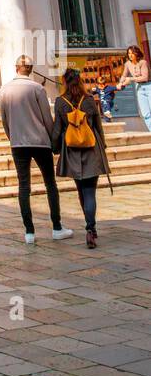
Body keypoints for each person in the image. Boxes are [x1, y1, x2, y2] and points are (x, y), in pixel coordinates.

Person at [0, 54, 73, 245]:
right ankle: (57, 227)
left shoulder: (5, 90)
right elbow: (47, 119)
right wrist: (52, 140)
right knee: (50, 184)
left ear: (16, 68)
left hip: (18, 143)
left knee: (24, 186)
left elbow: (5, 120)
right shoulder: (37, 88)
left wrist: (12, 137)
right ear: (31, 69)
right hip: (40, 141)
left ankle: (29, 232)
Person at [53, 68, 110, 249]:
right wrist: (104, 147)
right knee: (90, 191)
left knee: (81, 190)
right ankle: (90, 229)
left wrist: (55, 148)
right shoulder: (89, 101)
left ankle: (89, 225)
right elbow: (98, 127)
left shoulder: (60, 102)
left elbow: (57, 129)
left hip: (72, 152)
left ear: (65, 82)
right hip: (92, 149)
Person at [116, 44, 151, 131]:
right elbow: (124, 75)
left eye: (132, 53)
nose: (130, 55)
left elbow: (145, 77)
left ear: (137, 53)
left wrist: (130, 79)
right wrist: (120, 83)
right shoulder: (127, 64)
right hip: (139, 89)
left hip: (148, 86)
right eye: (129, 53)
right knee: (145, 114)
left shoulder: (143, 62)